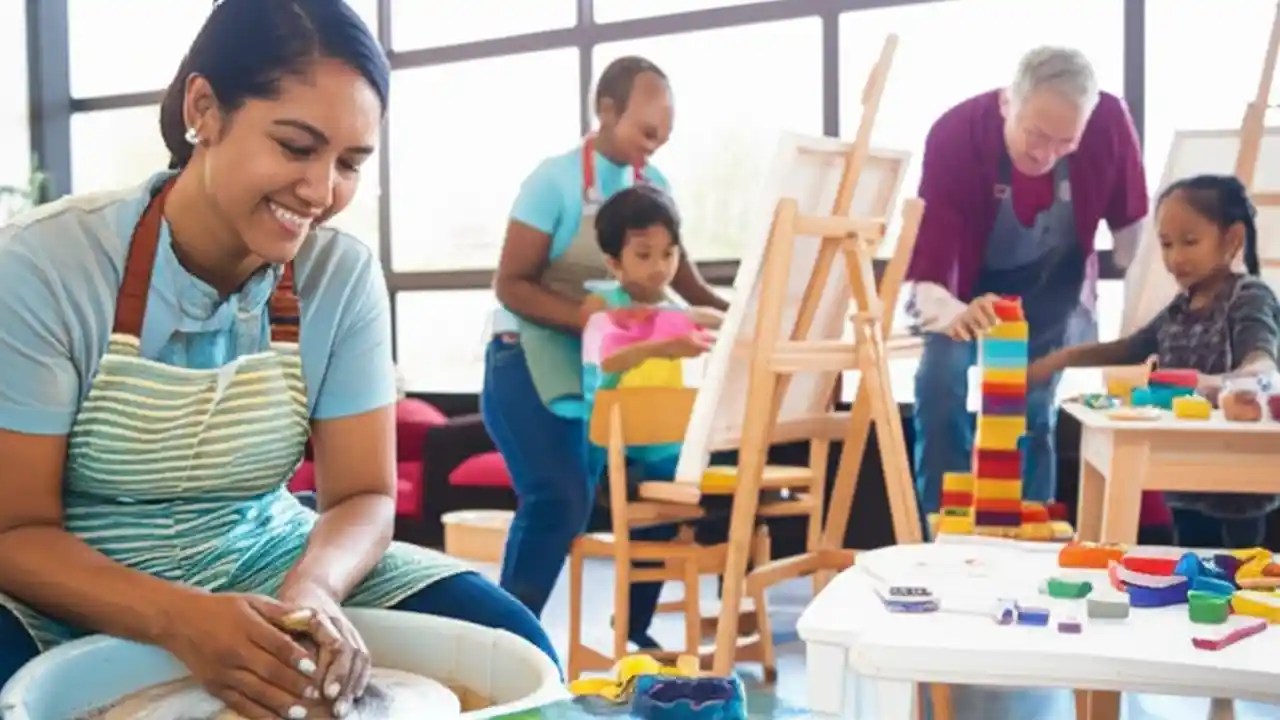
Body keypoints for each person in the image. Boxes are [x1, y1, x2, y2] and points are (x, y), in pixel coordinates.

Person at [0, 1, 552, 717]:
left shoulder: (341, 278)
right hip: (73, 580)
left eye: (349, 163)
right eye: (296, 147)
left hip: (264, 558)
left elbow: (363, 496)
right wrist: (182, 618)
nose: (322, 193)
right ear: (204, 109)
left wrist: (313, 590)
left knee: (509, 636)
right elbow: (16, 530)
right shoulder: (46, 265)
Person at [482, 56, 727, 622]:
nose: (655, 147)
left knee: (665, 485)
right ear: (606, 110)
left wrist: (744, 315)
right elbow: (510, 284)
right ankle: (508, 638)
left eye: (663, 137)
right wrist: (592, 319)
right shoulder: (554, 181)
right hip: (527, 356)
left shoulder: (654, 186)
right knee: (559, 498)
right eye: (646, 132)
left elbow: (688, 285)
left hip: (602, 368)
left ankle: (633, 631)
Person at [905, 46, 1156, 523]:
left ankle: (1028, 535)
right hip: (963, 289)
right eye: (1035, 134)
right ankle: (941, 530)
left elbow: (1134, 243)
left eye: (1065, 143)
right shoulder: (957, 134)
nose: (1046, 153)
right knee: (939, 386)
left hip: (1051, 286)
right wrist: (957, 312)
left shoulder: (1108, 125)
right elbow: (932, 262)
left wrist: (1151, 327)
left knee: (1032, 408)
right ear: (1009, 103)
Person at [1028, 175, 1280, 548]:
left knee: (1238, 576)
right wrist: (1060, 359)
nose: (1175, 257)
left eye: (1190, 242)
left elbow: (1261, 360)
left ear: (1232, 240)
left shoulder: (1248, 297)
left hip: (1236, 489)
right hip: (1184, 477)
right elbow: (1132, 348)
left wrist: (1222, 383)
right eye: (1166, 244)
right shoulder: (1180, 308)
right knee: (1188, 572)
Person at [579, 185, 721, 649]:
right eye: (644, 255)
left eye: (669, 253)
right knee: (652, 526)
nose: (660, 266)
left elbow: (703, 316)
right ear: (615, 263)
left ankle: (724, 604)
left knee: (738, 499)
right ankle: (635, 626)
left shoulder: (675, 311)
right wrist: (664, 345)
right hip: (622, 461)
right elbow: (609, 359)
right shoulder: (602, 307)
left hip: (671, 458)